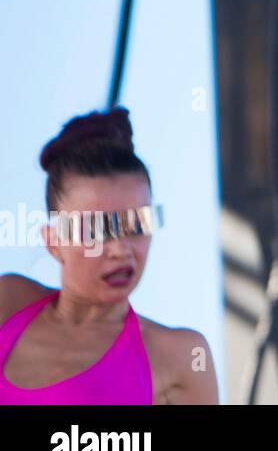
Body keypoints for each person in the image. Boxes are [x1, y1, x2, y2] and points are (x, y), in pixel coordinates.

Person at [0, 107, 219, 404]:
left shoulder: (183, 356)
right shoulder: (9, 301)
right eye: (96, 230)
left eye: (137, 225)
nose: (120, 250)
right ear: (53, 242)